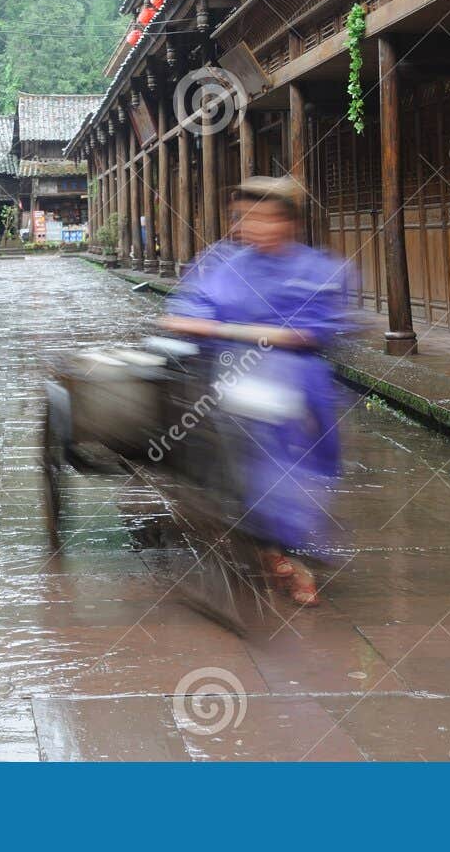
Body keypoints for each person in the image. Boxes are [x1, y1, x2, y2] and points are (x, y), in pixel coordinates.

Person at [158, 176, 350, 606]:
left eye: (265, 217)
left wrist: (232, 330)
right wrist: (192, 322)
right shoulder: (222, 264)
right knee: (224, 442)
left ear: (289, 222)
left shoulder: (316, 269)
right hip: (232, 377)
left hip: (298, 383)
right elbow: (190, 309)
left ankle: (288, 547)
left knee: (297, 465)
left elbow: (314, 331)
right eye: (244, 218)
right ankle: (269, 543)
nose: (253, 226)